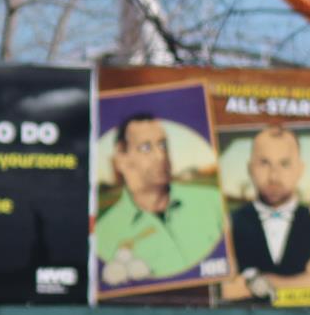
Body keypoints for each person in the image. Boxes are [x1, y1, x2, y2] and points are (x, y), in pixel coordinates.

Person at [96, 113, 227, 285]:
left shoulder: (214, 201)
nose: (161, 156)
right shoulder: (103, 235)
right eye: (145, 148)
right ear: (121, 159)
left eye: (163, 145)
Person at [221, 124, 310, 303]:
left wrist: (259, 283)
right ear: (250, 169)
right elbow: (223, 290)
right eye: (264, 163)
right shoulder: (229, 223)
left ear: (300, 169)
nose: (274, 176)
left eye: (285, 164)